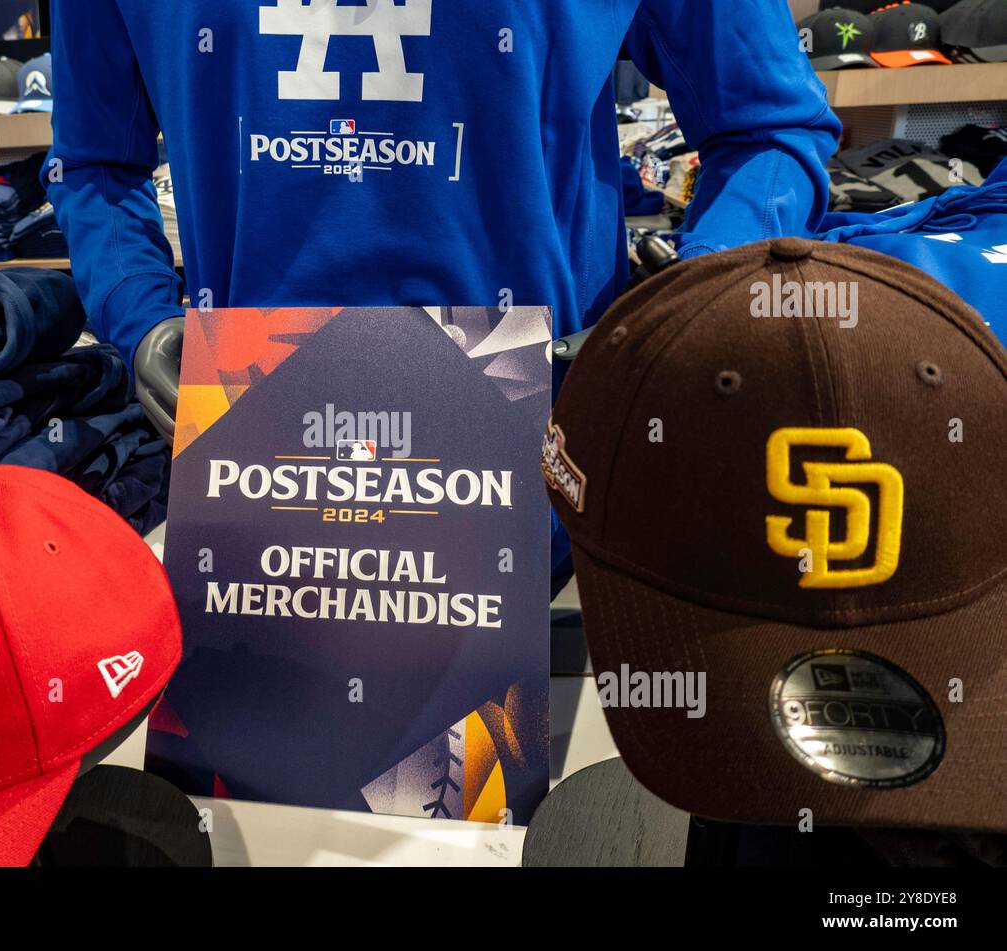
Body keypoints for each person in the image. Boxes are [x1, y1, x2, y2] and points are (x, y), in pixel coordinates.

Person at [44, 0, 843, 581]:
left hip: (554, 466)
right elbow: (94, 162)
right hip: (255, 452)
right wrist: (142, 317)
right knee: (278, 799)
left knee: (521, 799)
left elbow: (768, 125)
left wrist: (678, 309)